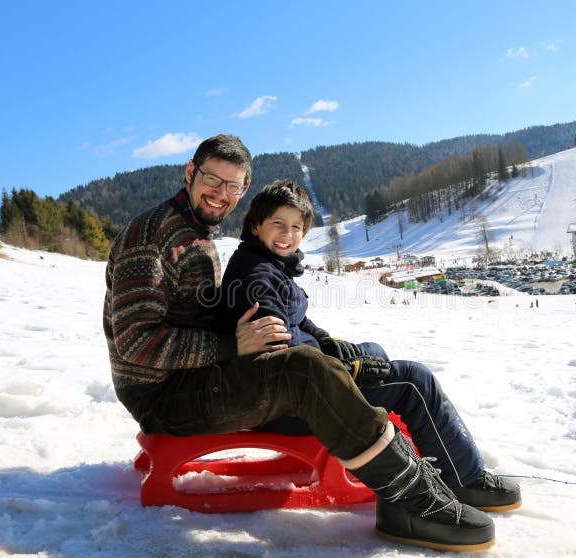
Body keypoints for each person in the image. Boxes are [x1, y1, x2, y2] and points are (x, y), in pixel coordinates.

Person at [104, 135, 494, 552]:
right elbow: (135, 341)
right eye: (212, 179)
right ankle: (409, 499)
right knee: (305, 369)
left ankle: (429, 480)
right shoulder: (151, 234)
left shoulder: (194, 232)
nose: (221, 194)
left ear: (243, 191)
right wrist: (231, 346)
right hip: (163, 394)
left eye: (232, 186)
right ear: (189, 173)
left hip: (195, 379)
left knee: (323, 361)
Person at [220, 180, 521, 514]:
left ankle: (420, 446)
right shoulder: (256, 277)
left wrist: (330, 344)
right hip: (287, 403)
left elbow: (297, 323)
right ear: (255, 224)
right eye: (278, 224)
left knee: (373, 352)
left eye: (296, 227)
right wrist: (349, 369)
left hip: (293, 388)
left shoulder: (268, 265)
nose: (287, 235)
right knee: (413, 381)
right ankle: (464, 480)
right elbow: (280, 356)